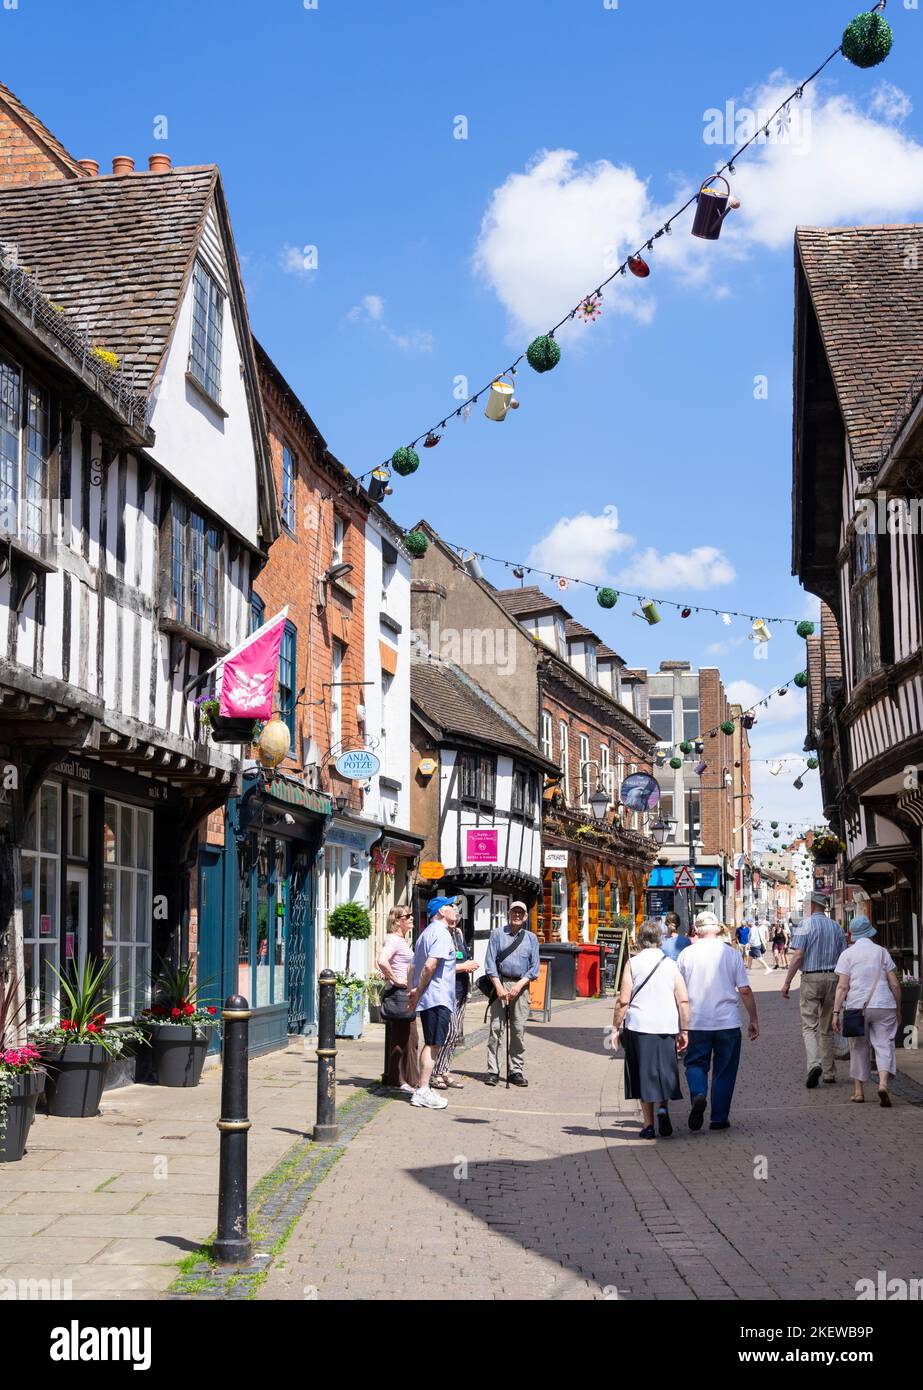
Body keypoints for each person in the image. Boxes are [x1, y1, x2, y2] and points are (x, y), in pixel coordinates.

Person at [678, 910, 759, 1131]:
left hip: (696, 1022)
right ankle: (719, 1118)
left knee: (695, 1063)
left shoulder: (686, 954)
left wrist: (678, 1022)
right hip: (728, 1023)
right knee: (725, 1070)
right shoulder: (731, 954)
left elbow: (679, 991)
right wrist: (753, 1019)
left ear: (697, 929)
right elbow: (744, 990)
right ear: (717, 929)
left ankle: (699, 1093)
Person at [613, 920, 690, 1139]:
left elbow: (623, 1000)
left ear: (639, 940)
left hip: (639, 1026)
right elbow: (683, 1000)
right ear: (661, 939)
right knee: (664, 1070)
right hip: (666, 1024)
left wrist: (615, 1028)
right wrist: (684, 1030)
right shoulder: (670, 964)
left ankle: (648, 1125)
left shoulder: (633, 964)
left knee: (643, 1074)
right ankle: (663, 1108)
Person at [832, 916, 902, 1107]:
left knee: (858, 1047)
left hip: (857, 1007)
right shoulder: (882, 952)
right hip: (884, 1005)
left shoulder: (847, 954)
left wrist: (836, 1012)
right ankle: (882, 1084)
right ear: (870, 932)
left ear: (853, 935)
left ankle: (858, 1091)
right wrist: (898, 1008)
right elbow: (894, 984)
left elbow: (842, 987)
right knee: (883, 1045)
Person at [781, 892, 846, 1088]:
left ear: (812, 905)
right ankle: (828, 1072)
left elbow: (798, 955)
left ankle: (814, 1065)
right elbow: (844, 957)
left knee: (809, 1026)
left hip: (811, 978)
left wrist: (787, 982)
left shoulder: (805, 925)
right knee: (827, 1028)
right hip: (833, 978)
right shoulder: (836, 926)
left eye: (806, 903)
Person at [406, 897, 458, 1110]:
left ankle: (423, 1087)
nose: (455, 909)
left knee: (431, 1042)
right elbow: (429, 965)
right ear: (441, 911)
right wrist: (417, 991)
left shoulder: (425, 934)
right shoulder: (441, 933)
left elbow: (412, 966)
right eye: (451, 906)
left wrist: (413, 991)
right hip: (437, 997)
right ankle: (423, 1090)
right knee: (433, 1044)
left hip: (430, 997)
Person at [483, 900, 540, 1087]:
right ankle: (493, 1070)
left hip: (521, 987)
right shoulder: (497, 934)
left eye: (520, 913)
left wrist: (520, 985)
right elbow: (490, 963)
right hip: (500, 983)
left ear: (525, 917)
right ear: (509, 914)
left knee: (517, 1030)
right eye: (514, 912)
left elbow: (535, 968)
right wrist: (499, 987)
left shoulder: (531, 938)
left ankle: (516, 1071)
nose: (517, 915)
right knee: (496, 1029)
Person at [431, 909, 478, 1090]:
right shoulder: (440, 935)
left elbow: (462, 956)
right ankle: (435, 1073)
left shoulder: (457, 933)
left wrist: (468, 984)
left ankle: (445, 1070)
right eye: (451, 920)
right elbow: (439, 966)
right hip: (446, 991)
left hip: (461, 989)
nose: (454, 923)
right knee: (446, 1032)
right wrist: (464, 966)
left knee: (455, 1034)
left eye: (456, 919)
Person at [377, 905, 420, 1092]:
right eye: (407, 916)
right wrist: (396, 980)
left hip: (406, 993)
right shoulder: (394, 940)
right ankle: (398, 1080)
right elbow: (381, 961)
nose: (411, 918)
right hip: (400, 994)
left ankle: (409, 1079)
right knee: (401, 1039)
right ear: (397, 921)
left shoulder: (401, 940)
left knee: (411, 1038)